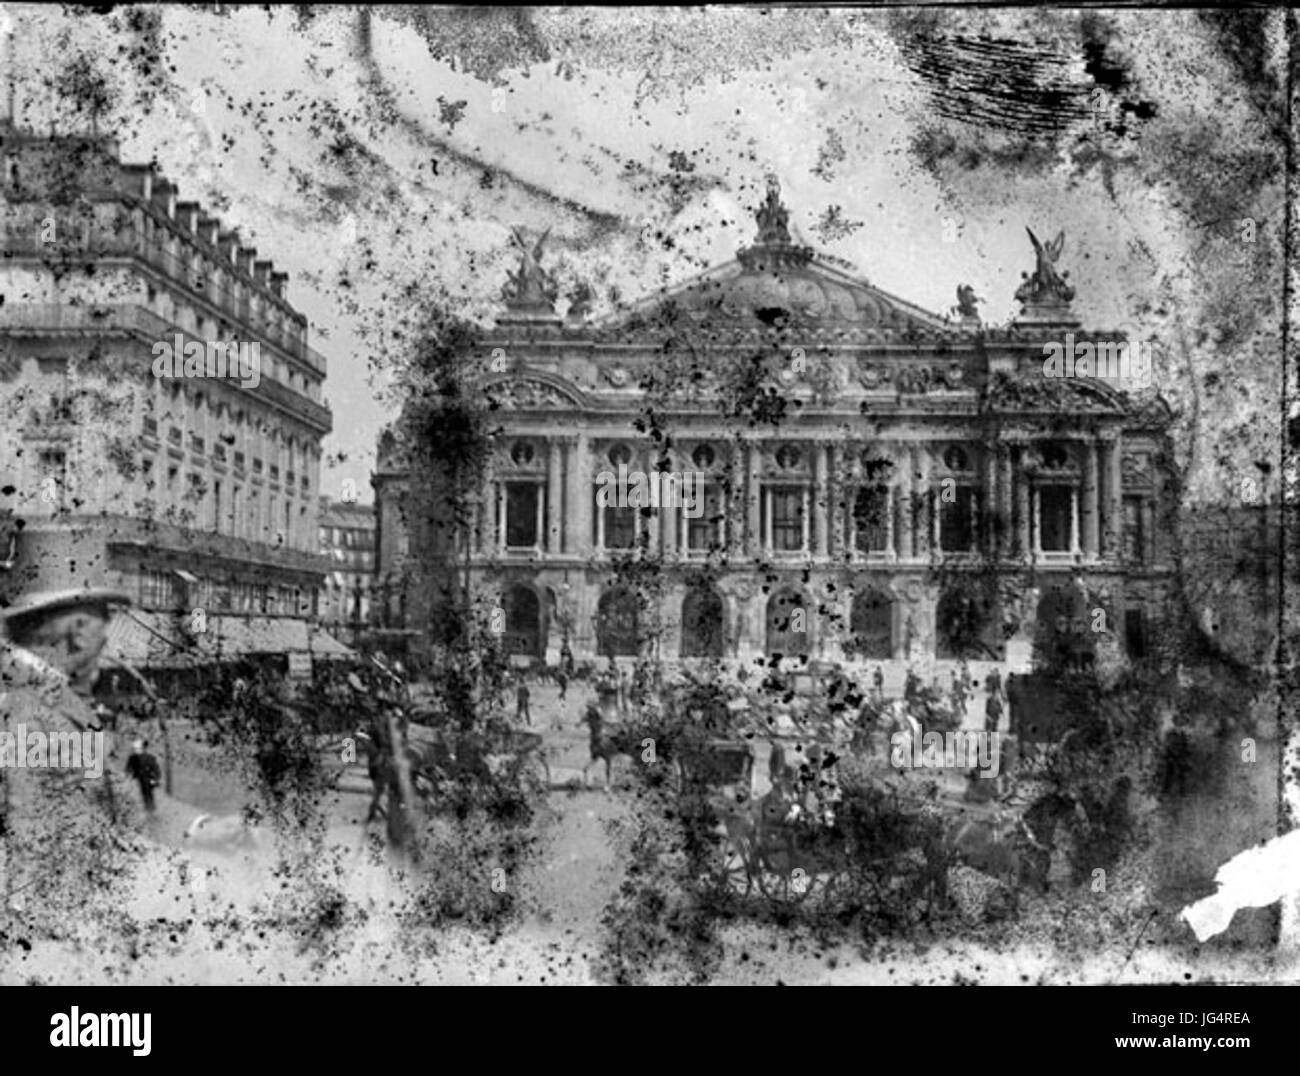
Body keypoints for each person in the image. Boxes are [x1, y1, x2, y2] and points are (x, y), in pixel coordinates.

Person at [125, 738, 161, 813]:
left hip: (148, 779)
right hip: (137, 780)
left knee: (148, 795)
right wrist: (128, 778)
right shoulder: (132, 758)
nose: (138, 750)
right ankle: (147, 810)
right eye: (136, 748)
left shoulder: (150, 757)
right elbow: (128, 769)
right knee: (142, 795)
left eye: (140, 748)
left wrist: (156, 779)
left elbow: (156, 769)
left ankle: (151, 810)